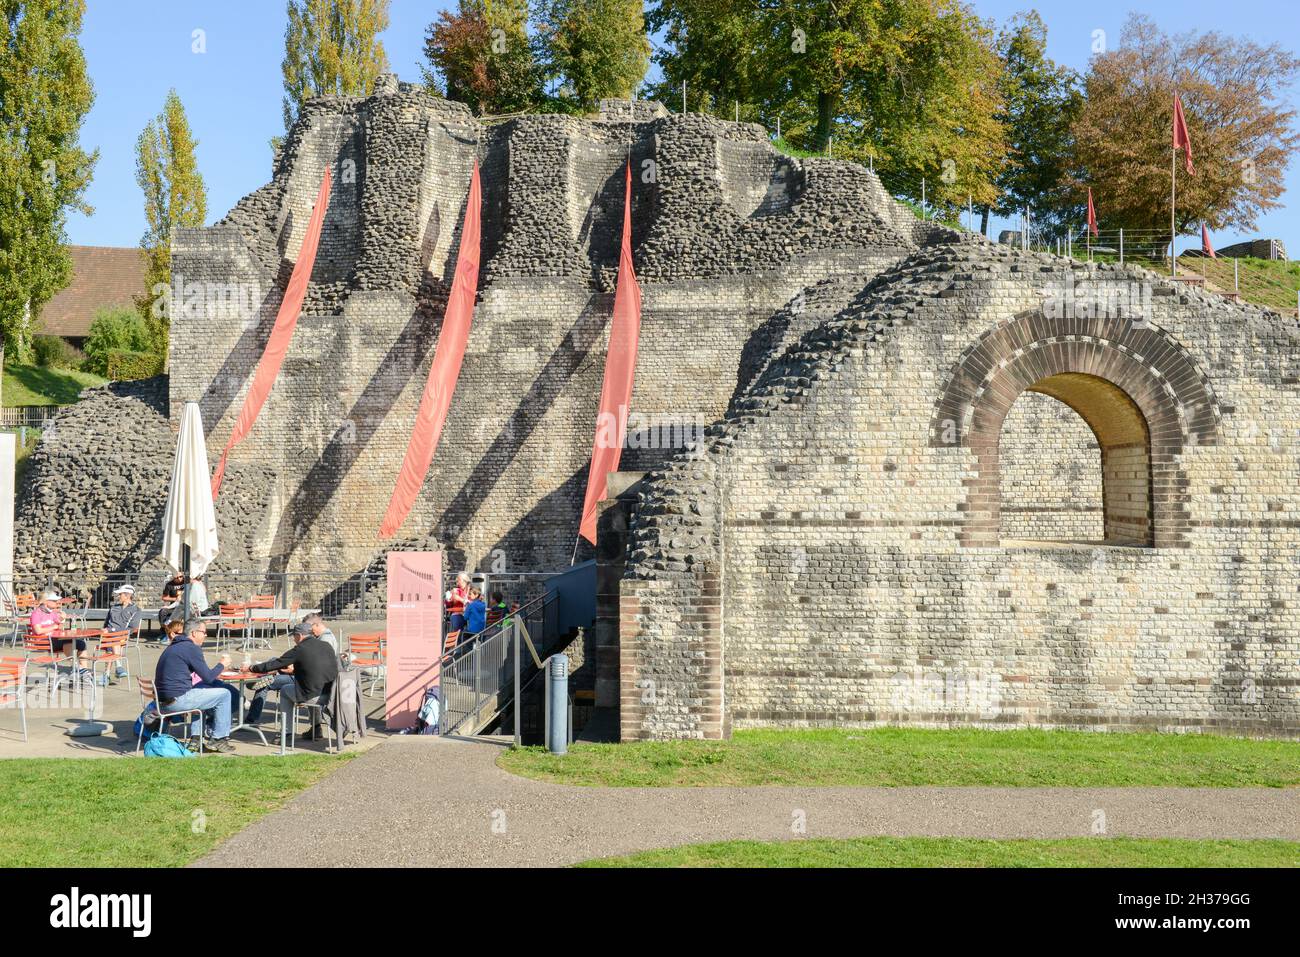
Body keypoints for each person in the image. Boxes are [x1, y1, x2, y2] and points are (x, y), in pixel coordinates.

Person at [154, 619, 236, 753]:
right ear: (193, 633)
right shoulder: (191, 648)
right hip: (177, 700)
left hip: (162, 702)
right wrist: (222, 665)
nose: (206, 635)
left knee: (200, 691)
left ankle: (196, 739)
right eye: (203, 632)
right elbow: (208, 677)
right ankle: (219, 739)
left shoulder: (174, 646)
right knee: (225, 694)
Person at [245, 622, 339, 738]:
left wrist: (252, 668)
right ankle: (316, 728)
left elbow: (276, 663)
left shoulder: (300, 649)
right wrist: (294, 671)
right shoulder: (326, 645)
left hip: (313, 695)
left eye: (294, 636)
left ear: (299, 635)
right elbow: (315, 668)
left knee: (285, 690)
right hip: (330, 694)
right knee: (309, 686)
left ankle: (286, 732)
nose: (294, 640)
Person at [30, 590, 86, 676]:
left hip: (54, 640)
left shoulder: (52, 612)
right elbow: (38, 631)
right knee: (68, 641)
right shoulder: (36, 613)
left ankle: (83, 670)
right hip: (43, 642)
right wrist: (53, 627)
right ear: (45, 602)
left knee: (81, 644)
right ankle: (76, 667)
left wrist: (62, 619)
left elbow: (59, 627)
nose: (57, 602)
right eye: (54, 601)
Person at [103, 585, 141, 680]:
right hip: (109, 636)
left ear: (128, 595)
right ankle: (118, 667)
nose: (119, 596)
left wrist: (113, 631)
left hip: (122, 636)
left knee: (112, 643)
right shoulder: (113, 607)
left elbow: (133, 628)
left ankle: (106, 675)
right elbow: (106, 624)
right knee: (112, 640)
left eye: (121, 594)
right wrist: (107, 631)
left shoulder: (136, 610)